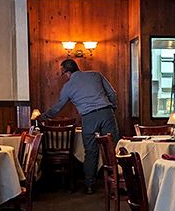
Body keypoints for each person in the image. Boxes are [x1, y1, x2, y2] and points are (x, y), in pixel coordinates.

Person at [42, 58, 119, 194]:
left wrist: (43, 117)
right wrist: (112, 109)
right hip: (106, 113)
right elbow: (112, 93)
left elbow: (58, 107)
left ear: (67, 72)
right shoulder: (96, 75)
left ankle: (90, 185)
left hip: (88, 117)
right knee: (113, 148)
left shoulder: (68, 86)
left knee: (90, 152)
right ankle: (117, 183)